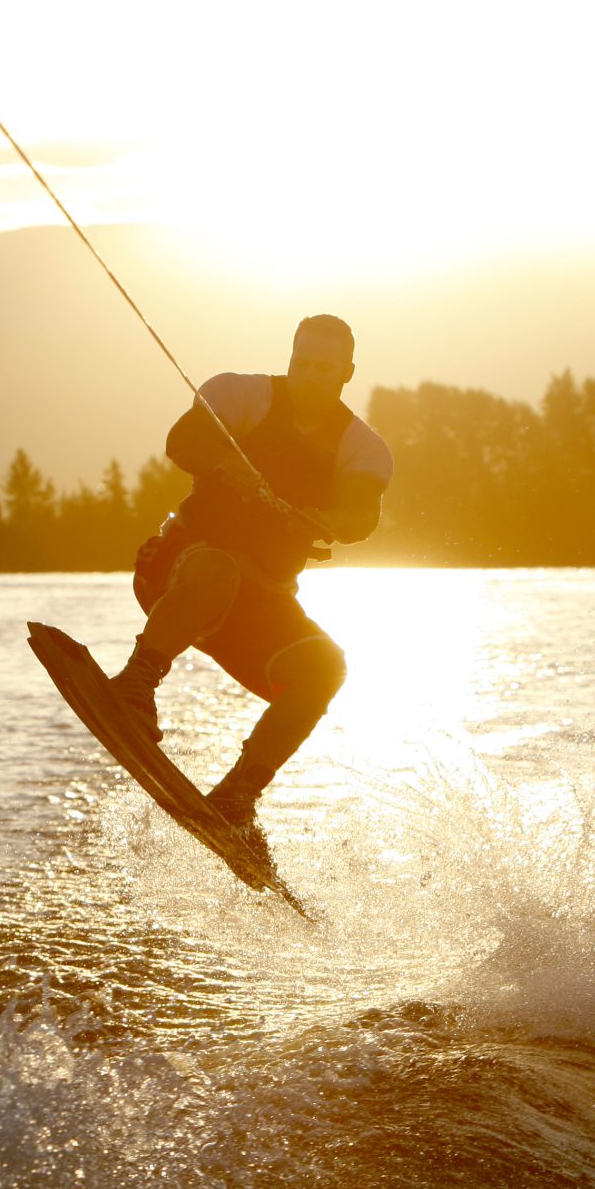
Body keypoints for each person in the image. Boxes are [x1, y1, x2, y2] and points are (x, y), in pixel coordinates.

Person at [110, 314, 392, 850]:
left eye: (323, 366)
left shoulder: (360, 444)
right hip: (175, 569)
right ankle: (135, 685)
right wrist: (223, 463)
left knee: (323, 668)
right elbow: (184, 441)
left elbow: (362, 514)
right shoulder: (242, 396)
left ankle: (238, 797)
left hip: (255, 602)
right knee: (218, 566)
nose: (309, 373)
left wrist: (327, 517)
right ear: (290, 357)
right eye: (301, 360)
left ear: (346, 372)